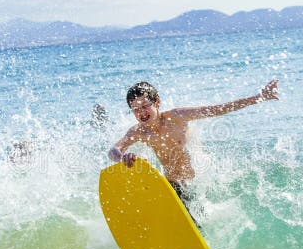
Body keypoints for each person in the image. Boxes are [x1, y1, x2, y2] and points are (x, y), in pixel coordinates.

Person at [108, 79, 279, 223]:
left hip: (193, 186)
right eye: (135, 109)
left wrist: (259, 97)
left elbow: (218, 109)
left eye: (145, 106)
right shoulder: (138, 131)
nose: (141, 112)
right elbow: (114, 151)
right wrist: (122, 157)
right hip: (171, 186)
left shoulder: (177, 117)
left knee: (196, 226)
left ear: (157, 103)